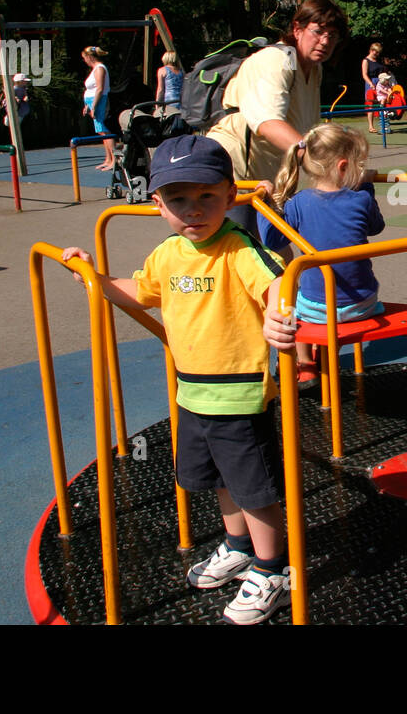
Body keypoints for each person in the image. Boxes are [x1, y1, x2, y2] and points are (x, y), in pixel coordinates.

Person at [61, 134, 295, 624]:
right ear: (158, 203)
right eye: (178, 199)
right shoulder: (169, 253)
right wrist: (91, 277)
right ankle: (238, 547)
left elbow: (276, 281)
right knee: (219, 481)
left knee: (254, 488)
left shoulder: (237, 248)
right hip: (191, 391)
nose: (193, 210)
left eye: (207, 196)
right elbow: (139, 291)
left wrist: (278, 314)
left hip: (238, 396)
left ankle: (273, 568)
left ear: (230, 196)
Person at [257, 123, 384, 388]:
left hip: (316, 310)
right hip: (363, 304)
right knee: (328, 305)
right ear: (342, 167)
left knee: (292, 302)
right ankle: (327, 359)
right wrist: (367, 188)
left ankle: (304, 364)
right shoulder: (360, 199)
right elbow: (376, 226)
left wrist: (265, 205)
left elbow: (272, 239)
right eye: (358, 165)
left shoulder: (299, 203)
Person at [206, 0, 348, 230]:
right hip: (236, 176)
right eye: (318, 31)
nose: (325, 41)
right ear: (297, 29)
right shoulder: (275, 59)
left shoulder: (313, 69)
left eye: (332, 36)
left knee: (279, 256)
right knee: (244, 256)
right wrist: (322, 163)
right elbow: (268, 123)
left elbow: (307, 129)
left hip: (269, 180)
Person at [81, 45, 116, 171]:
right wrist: (87, 105)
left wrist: (94, 106)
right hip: (92, 101)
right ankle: (108, 158)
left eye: (85, 58)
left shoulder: (100, 69)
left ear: (90, 57)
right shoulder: (95, 69)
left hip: (99, 101)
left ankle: (114, 160)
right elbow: (92, 89)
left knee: (105, 130)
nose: (85, 61)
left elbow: (100, 89)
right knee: (101, 131)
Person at [361, 42, 388, 131]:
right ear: (371, 50)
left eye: (378, 52)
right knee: (371, 104)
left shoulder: (378, 61)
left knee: (383, 102)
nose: (377, 54)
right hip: (371, 82)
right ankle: (371, 126)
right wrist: (370, 83)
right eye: (375, 52)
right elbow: (364, 74)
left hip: (381, 82)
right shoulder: (366, 61)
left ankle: (384, 124)